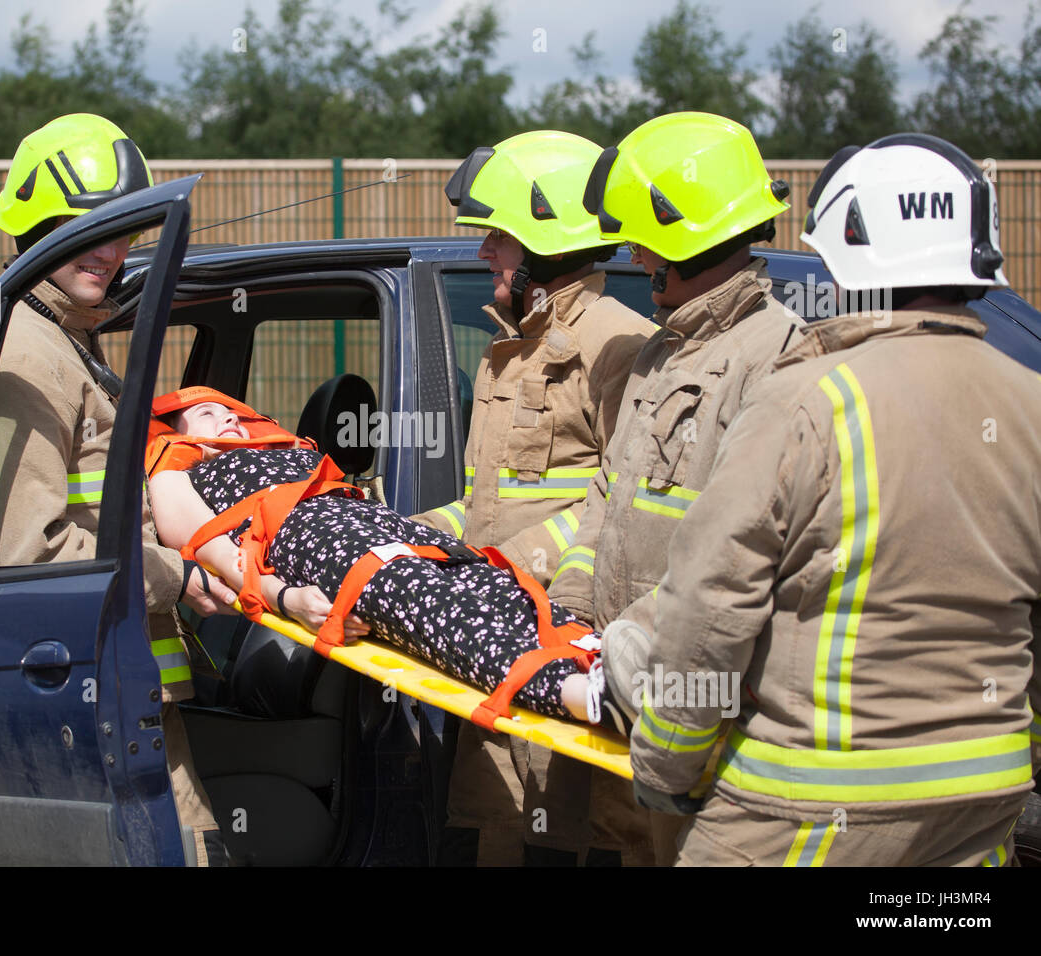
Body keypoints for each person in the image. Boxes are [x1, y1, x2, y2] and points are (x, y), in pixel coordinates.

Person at [609, 132, 1041, 866]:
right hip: (983, 798)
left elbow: (710, 608)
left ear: (851, 259)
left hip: (811, 806)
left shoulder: (807, 401)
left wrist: (666, 771)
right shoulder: (1029, 402)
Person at [0, 113, 234, 866]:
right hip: (88, 698)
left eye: (122, 229)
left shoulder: (66, 344)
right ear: (38, 229)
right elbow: (31, 553)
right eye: (87, 228)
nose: (111, 249)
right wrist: (180, 577)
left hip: (119, 692)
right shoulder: (28, 355)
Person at [548, 111, 805, 865]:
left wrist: (630, 648)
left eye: (644, 237)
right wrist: (570, 607)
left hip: (698, 725)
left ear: (684, 235)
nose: (632, 252)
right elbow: (609, 493)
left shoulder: (775, 356)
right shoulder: (663, 351)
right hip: (614, 687)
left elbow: (742, 553)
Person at [414, 129, 655, 866]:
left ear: (546, 246)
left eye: (499, 237)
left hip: (569, 658)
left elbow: (623, 503)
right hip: (503, 655)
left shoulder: (619, 347)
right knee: (502, 838)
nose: (484, 251)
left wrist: (508, 563)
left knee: (582, 844)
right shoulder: (511, 352)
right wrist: (414, 537)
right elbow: (492, 502)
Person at [146, 394, 612, 726]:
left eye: (231, 411)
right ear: (175, 436)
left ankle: (603, 657)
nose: (227, 418)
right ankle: (585, 696)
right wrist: (286, 599)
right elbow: (221, 556)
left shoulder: (280, 450)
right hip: (318, 542)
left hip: (371, 520)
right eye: (207, 415)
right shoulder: (175, 473)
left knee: (482, 580)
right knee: (433, 608)